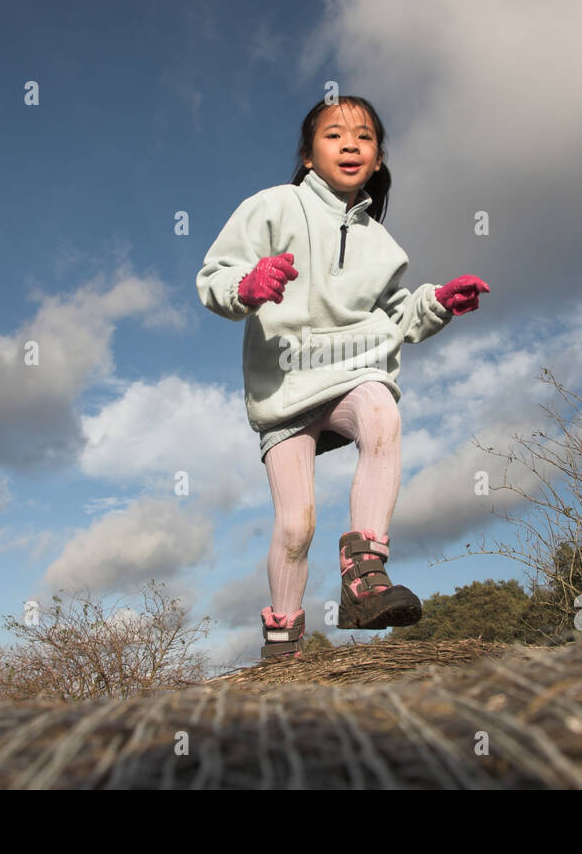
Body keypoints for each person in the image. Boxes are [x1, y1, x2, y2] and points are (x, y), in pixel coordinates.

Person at [196, 96, 490, 661]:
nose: (350, 144)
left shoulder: (382, 245)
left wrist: (439, 304)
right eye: (334, 135)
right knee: (295, 525)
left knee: (382, 412)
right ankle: (283, 639)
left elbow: (398, 315)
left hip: (355, 371)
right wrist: (248, 286)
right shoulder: (273, 207)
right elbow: (214, 278)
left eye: (364, 137)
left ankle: (364, 578)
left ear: (378, 160)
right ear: (307, 156)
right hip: (284, 387)